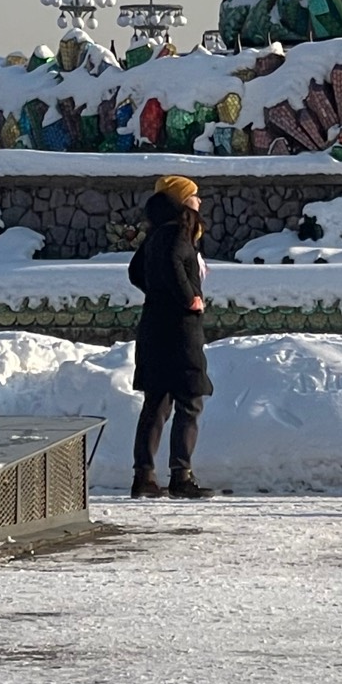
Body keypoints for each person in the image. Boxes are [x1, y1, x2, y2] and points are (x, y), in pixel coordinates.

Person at [128, 174, 214, 500]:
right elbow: (173, 261)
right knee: (189, 401)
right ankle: (182, 475)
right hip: (180, 330)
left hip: (154, 327)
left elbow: (136, 271)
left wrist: (158, 292)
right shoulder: (179, 230)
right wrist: (188, 296)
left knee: (156, 404)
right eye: (194, 195)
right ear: (181, 200)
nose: (199, 201)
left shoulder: (155, 233)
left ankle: (144, 476)